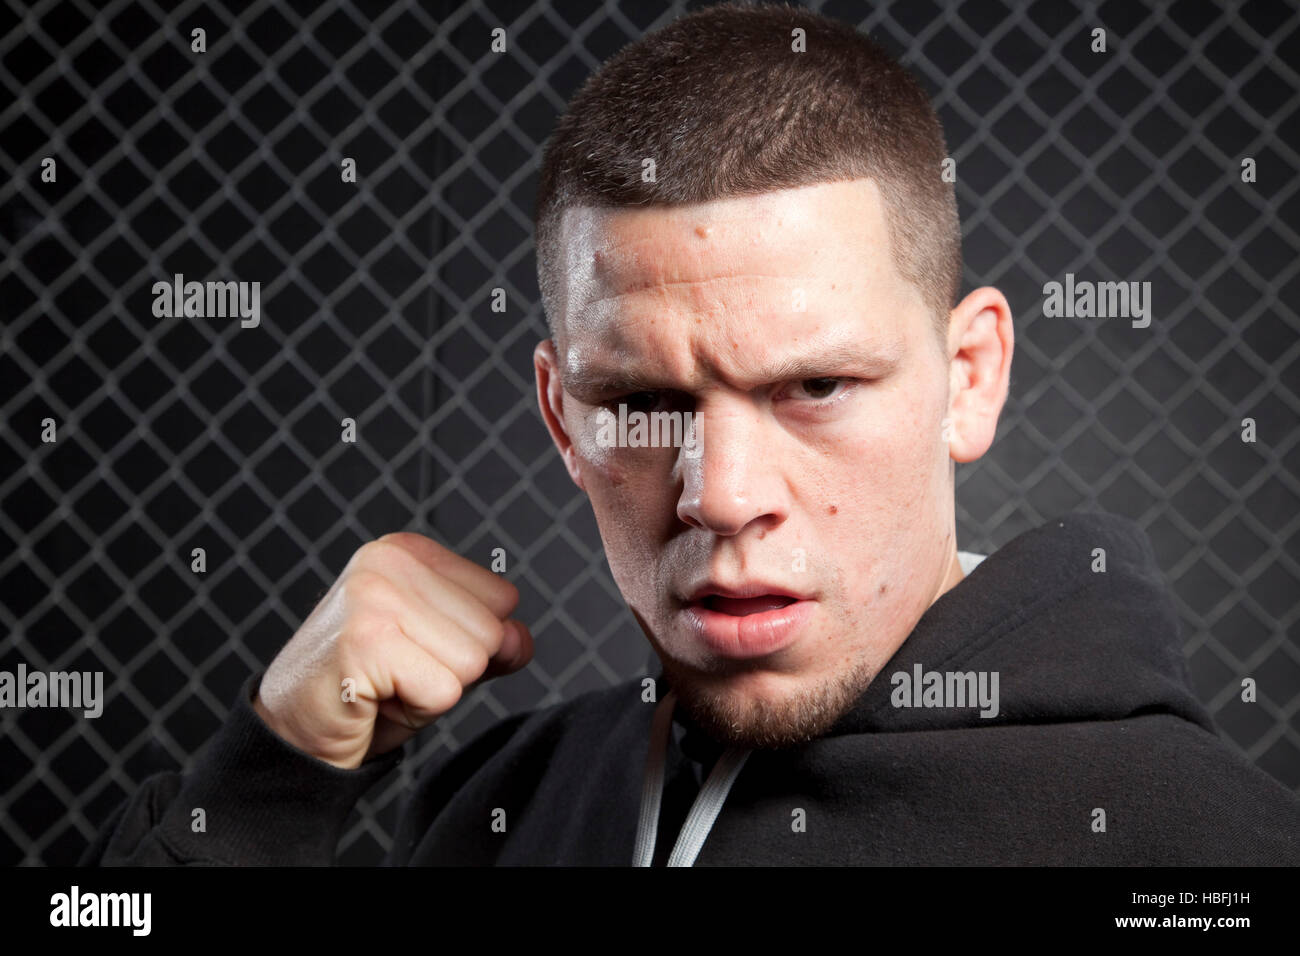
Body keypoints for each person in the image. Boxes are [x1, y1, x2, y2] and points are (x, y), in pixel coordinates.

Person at [81, 2, 1299, 866]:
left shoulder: (1205, 852)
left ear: (967, 377)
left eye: (814, 384)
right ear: (563, 414)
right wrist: (271, 778)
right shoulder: (494, 800)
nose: (720, 495)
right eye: (644, 403)